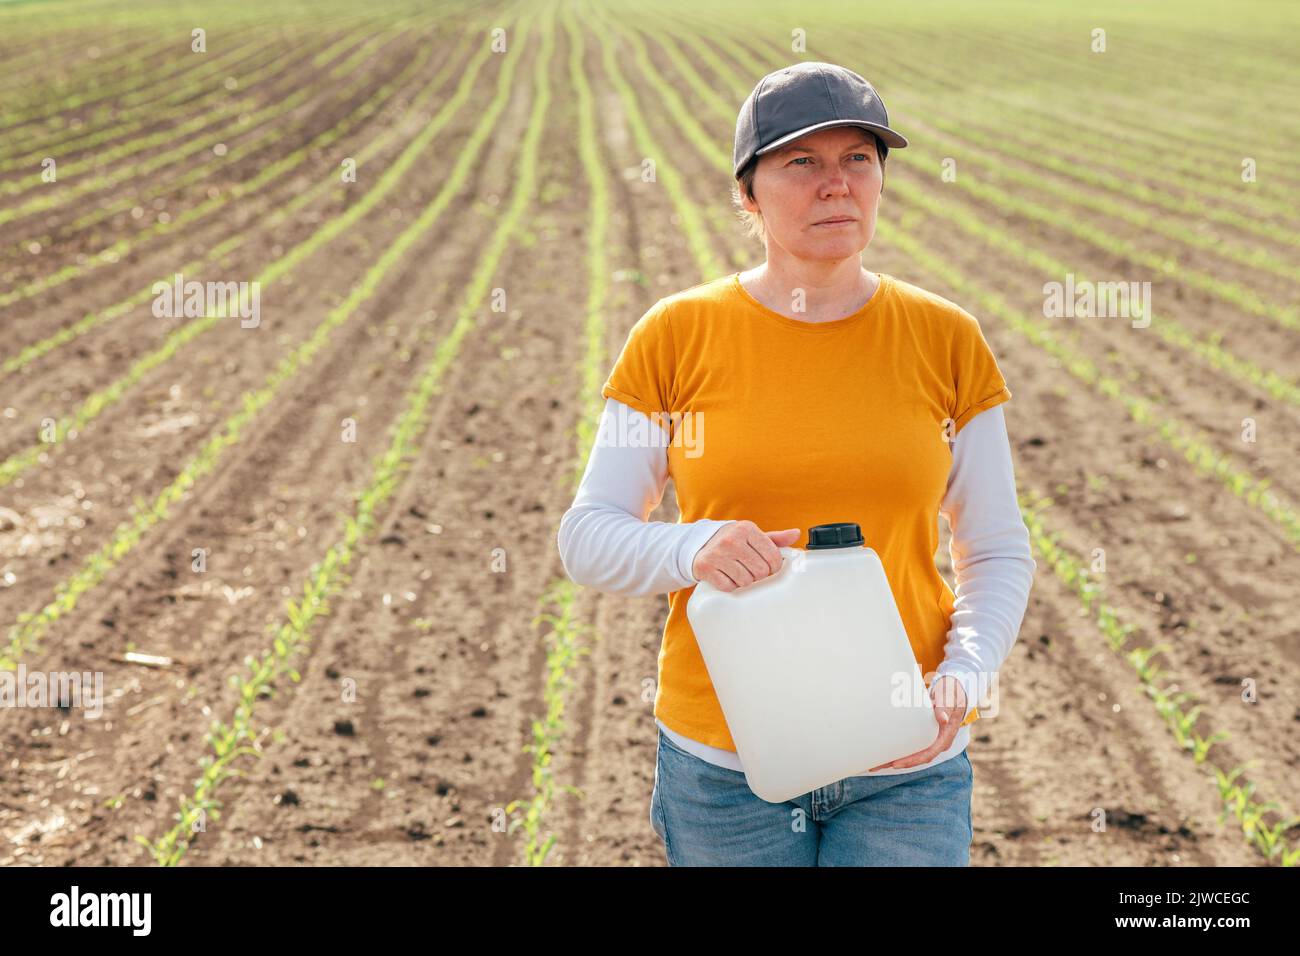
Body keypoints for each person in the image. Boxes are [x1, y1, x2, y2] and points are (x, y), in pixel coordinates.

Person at [557, 61, 1036, 866]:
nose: (836, 185)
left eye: (858, 159)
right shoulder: (675, 336)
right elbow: (588, 535)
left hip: (905, 760)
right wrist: (689, 547)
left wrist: (965, 676)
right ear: (748, 193)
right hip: (724, 766)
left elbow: (993, 547)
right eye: (802, 163)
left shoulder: (946, 339)